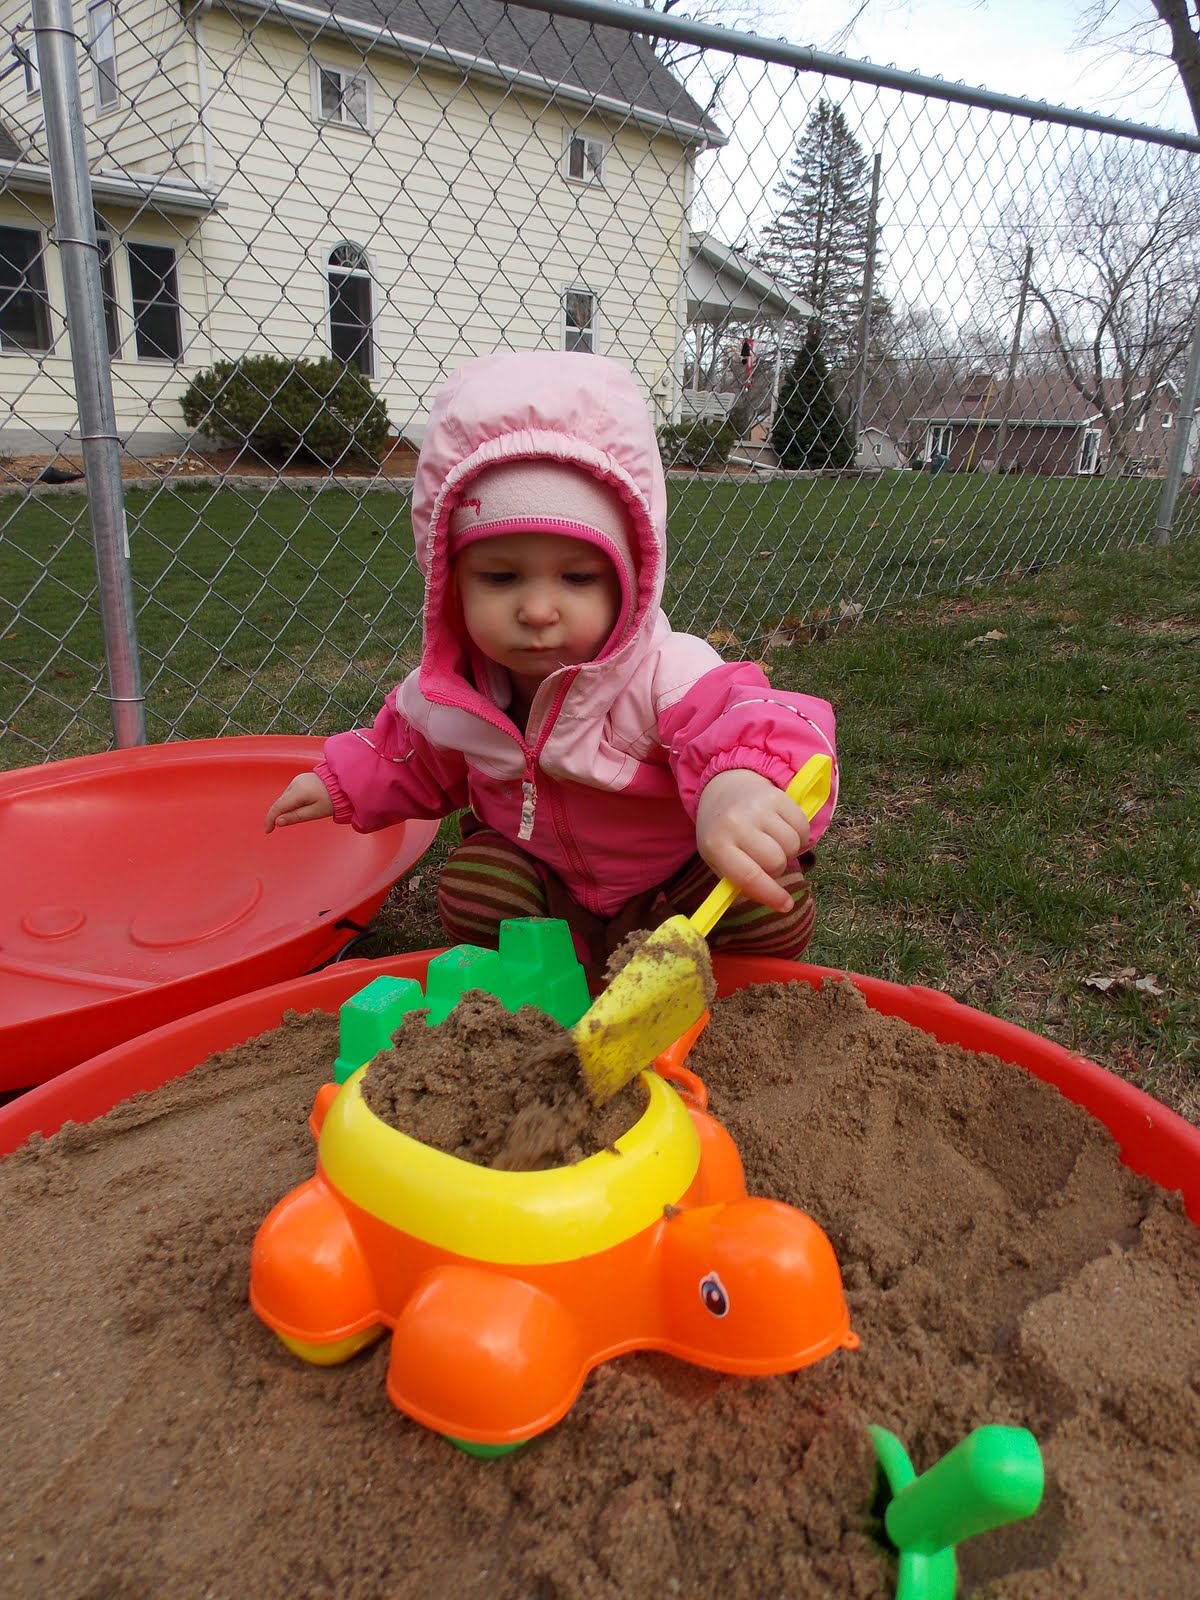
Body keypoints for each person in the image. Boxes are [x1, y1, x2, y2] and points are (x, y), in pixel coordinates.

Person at [265, 350, 838, 980]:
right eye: (502, 577)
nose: (538, 610)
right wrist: (342, 782)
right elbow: (407, 758)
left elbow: (756, 720)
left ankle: (692, 975)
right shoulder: (449, 697)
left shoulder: (665, 672)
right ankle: (561, 973)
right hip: (550, 891)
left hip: (674, 885)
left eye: (577, 577)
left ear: (628, 583)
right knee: (474, 888)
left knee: (771, 905)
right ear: (451, 585)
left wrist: (737, 789)